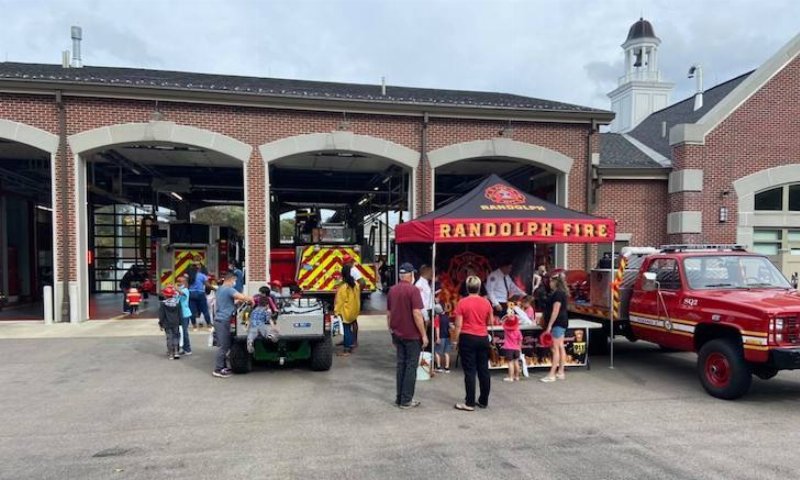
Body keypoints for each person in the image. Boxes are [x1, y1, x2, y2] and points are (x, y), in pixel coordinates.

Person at [387, 262, 428, 409]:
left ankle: (399, 397)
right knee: (411, 366)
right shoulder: (413, 290)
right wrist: (424, 335)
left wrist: (391, 331)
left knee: (401, 365)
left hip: (398, 334)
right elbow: (417, 313)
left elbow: (389, 314)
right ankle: (406, 400)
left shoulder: (392, 290)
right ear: (410, 275)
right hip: (411, 335)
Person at [453, 276, 494, 412]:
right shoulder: (486, 303)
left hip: (467, 337)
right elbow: (490, 321)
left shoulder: (462, 302)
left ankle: (469, 402)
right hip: (482, 337)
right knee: (484, 370)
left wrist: (456, 340)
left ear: (466, 287)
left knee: (470, 371)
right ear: (479, 287)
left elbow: (458, 325)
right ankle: (483, 400)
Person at [212, 272, 253, 378]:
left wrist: (236, 302)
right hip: (223, 320)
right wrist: (250, 298)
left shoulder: (220, 289)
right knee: (224, 346)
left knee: (226, 344)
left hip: (220, 319)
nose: (235, 283)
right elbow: (242, 297)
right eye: (234, 280)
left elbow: (227, 302)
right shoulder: (229, 289)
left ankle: (224, 367)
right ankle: (218, 369)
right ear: (230, 280)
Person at [541, 274, 570, 383]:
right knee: (561, 347)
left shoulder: (557, 294)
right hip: (562, 322)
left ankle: (552, 374)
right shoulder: (562, 293)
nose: (549, 283)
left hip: (557, 323)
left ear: (555, 282)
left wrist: (549, 326)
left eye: (550, 281)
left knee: (555, 348)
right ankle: (561, 372)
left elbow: (555, 311)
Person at [334, 265, 361, 356]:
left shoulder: (344, 287)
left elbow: (340, 301)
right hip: (354, 311)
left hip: (346, 312)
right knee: (350, 327)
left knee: (346, 329)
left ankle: (347, 349)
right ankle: (351, 343)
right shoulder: (356, 284)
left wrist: (336, 312)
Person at [158, 286, 182, 360]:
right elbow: (180, 313)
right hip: (176, 322)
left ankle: (171, 353)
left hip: (167, 323)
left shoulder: (163, 304)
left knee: (169, 337)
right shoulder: (178, 303)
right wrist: (180, 322)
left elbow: (161, 315)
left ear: (165, 295)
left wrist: (160, 323)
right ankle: (176, 352)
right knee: (176, 336)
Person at [187, 262, 211, 330]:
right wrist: (215, 289)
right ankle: (209, 325)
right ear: (199, 268)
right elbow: (207, 285)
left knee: (192, 311)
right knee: (205, 310)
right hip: (200, 294)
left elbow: (187, 286)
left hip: (191, 294)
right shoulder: (202, 276)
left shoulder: (189, 276)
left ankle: (194, 326)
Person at [434, 292, 453, 373]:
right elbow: (450, 326)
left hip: (441, 336)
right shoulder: (447, 317)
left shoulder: (437, 318)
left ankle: (438, 367)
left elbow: (437, 328)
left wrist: (437, 338)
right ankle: (447, 368)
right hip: (447, 336)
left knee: (437, 352)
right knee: (446, 352)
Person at [175, 274, 193, 356]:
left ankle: (188, 349)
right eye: (177, 281)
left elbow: (182, 294)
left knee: (184, 332)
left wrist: (176, 289)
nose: (178, 283)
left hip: (184, 314)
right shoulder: (177, 290)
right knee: (178, 332)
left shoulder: (186, 290)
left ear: (185, 282)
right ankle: (180, 348)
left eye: (180, 281)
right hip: (177, 313)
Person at [502, 314, 522, 382]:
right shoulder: (518, 331)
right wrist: (519, 347)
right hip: (516, 348)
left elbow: (502, 322)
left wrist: (506, 316)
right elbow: (520, 339)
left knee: (510, 363)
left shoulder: (506, 330)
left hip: (509, 348)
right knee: (516, 362)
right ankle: (517, 376)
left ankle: (510, 377)